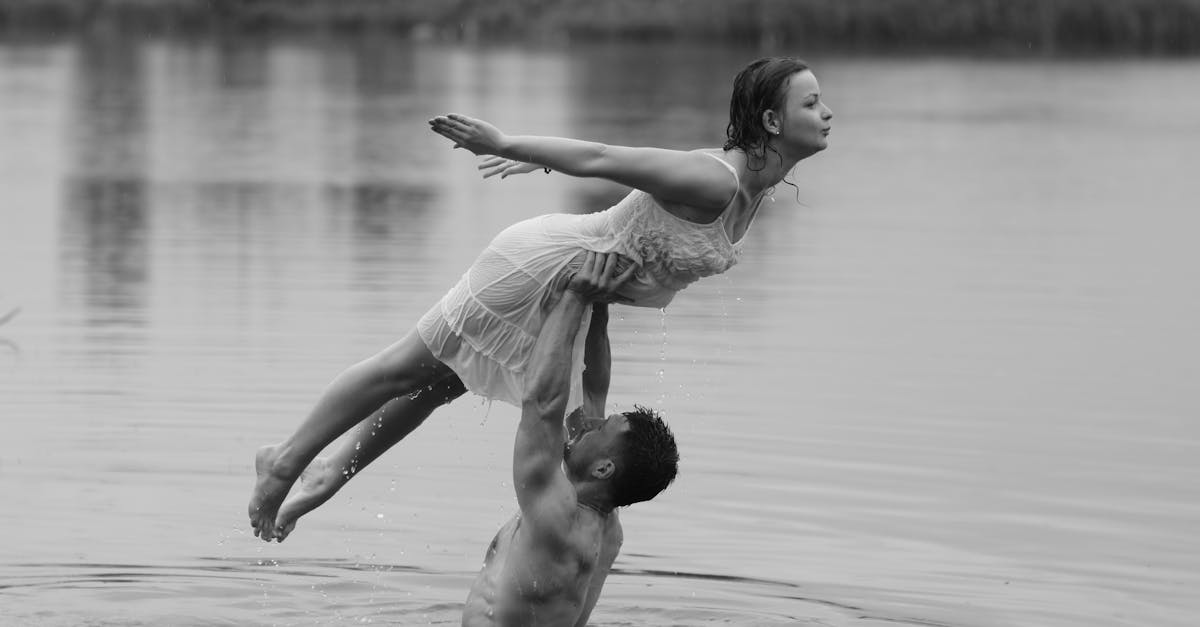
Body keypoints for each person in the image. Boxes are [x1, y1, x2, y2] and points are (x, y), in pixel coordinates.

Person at [249, 56, 832, 541]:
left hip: (574, 296)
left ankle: (328, 471)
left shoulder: (753, 194)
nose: (826, 112)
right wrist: (509, 144)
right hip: (541, 266)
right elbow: (606, 157)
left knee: (441, 385)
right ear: (771, 121)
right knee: (404, 369)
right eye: (810, 103)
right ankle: (288, 460)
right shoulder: (717, 182)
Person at [462, 251, 679, 627]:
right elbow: (593, 390)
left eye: (600, 429)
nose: (589, 423)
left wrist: (575, 298)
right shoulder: (605, 527)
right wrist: (599, 307)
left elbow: (541, 403)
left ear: (603, 467)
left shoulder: (557, 515)